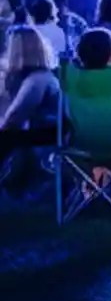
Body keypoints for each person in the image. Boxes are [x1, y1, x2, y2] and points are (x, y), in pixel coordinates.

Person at [0, 27, 61, 195]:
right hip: (34, 129)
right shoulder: (28, 77)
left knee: (5, 138)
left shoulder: (39, 79)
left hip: (47, 132)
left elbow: (15, 115)